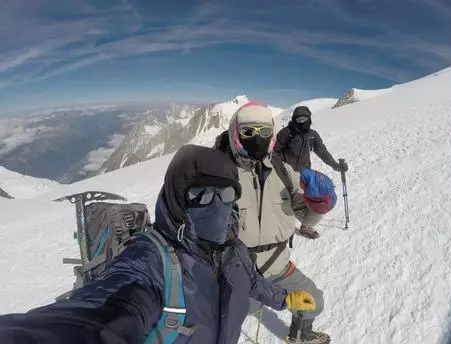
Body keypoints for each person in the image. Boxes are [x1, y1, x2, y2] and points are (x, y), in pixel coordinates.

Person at [0, 144, 316, 344]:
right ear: (178, 202)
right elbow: (108, 307)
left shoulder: (235, 251)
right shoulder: (152, 258)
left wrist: (287, 299)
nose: (217, 205)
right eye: (201, 195)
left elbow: (254, 284)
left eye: (227, 194)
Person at [215, 102, 330, 344]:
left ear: (272, 134)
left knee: (313, 301)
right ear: (235, 133)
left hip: (277, 266)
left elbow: (305, 215)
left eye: (264, 131)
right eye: (248, 132)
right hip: (235, 272)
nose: (257, 138)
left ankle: (300, 336)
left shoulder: (283, 171)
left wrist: (319, 205)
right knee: (219, 327)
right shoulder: (221, 174)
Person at [272, 105, 347, 239]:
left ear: (309, 119)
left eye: (304, 119)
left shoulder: (312, 135)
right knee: (284, 201)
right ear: (294, 120)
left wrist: (335, 165)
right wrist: (281, 168)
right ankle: (281, 225)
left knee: (309, 200)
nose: (302, 122)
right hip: (285, 173)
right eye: (298, 120)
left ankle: (305, 226)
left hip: (304, 174)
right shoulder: (286, 134)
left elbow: (322, 152)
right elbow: (274, 153)